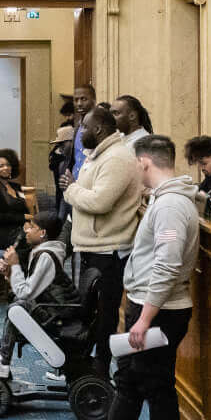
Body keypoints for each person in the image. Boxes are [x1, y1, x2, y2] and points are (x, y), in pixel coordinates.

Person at [59, 136, 200, 420]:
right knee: (130, 380)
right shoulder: (164, 200)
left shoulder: (171, 205)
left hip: (161, 311)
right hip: (151, 305)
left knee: (157, 386)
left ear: (144, 163)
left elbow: (167, 265)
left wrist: (145, 318)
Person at [59, 104, 141, 371]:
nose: (79, 131)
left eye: (84, 127)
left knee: (105, 314)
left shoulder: (116, 158)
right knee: (90, 311)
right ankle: (85, 365)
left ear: (98, 129)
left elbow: (99, 202)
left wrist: (71, 189)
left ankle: (100, 369)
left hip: (109, 249)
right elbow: (85, 193)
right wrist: (73, 189)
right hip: (94, 245)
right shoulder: (99, 154)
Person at [0, 212, 71, 367]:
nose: (27, 231)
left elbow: (26, 293)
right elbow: (28, 288)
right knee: (17, 301)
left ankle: (3, 356)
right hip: (51, 307)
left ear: (42, 233)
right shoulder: (42, 251)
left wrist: (15, 264)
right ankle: (3, 345)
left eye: (32, 227)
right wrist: (9, 273)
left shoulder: (46, 256)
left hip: (57, 314)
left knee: (18, 306)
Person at [63, 84, 97, 187]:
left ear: (94, 100)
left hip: (91, 184)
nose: (79, 104)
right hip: (75, 183)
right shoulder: (78, 126)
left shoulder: (100, 126)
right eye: (76, 100)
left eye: (84, 99)